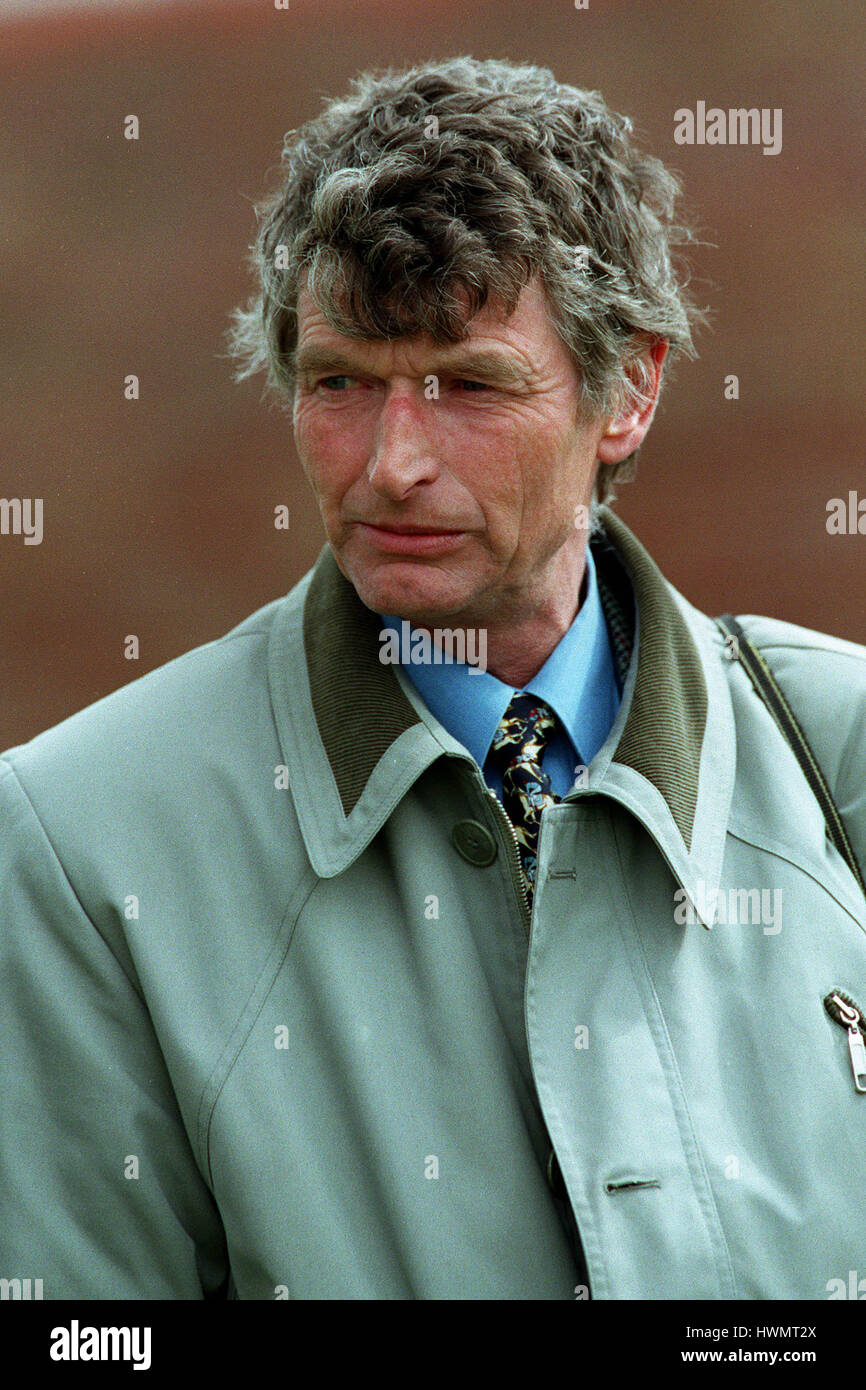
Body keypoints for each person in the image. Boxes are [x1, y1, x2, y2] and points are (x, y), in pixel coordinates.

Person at [2, 55, 865, 1302]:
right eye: (340, 382)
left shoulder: (837, 765)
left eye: (466, 385)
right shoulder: (81, 846)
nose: (391, 464)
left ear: (627, 387)